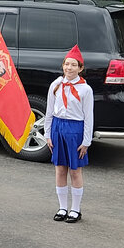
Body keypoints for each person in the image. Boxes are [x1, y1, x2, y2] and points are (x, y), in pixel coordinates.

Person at [45, 45, 93, 224]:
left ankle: (75, 209)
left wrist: (86, 141)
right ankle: (62, 207)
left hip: (75, 130)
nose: (69, 68)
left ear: (80, 68)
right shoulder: (56, 85)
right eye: (67, 64)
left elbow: (89, 117)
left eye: (73, 65)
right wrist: (48, 134)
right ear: (63, 66)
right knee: (60, 169)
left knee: (75, 170)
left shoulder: (85, 90)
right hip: (58, 127)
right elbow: (49, 111)